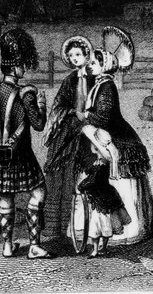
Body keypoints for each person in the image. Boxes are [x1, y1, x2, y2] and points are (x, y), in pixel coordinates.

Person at [71, 49, 151, 248]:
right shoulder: (99, 83)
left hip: (115, 136)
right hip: (100, 134)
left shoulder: (107, 86)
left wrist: (83, 118)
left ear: (105, 66)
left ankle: (123, 231)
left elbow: (104, 117)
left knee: (107, 180)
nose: (90, 65)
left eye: (95, 63)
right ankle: (90, 229)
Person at [0, 28, 50, 259]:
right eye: (22, 64)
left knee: (5, 198)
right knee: (39, 193)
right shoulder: (26, 94)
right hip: (21, 157)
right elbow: (38, 124)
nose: (24, 69)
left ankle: (8, 246)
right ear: (16, 65)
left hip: (0, 158)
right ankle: (33, 246)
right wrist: (42, 105)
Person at [43, 35, 93, 240]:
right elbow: (58, 107)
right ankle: (57, 226)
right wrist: (72, 112)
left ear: (86, 55)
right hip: (70, 127)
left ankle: (82, 226)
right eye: (71, 56)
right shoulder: (69, 80)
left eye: (78, 55)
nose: (74, 59)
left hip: (89, 127)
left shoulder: (95, 77)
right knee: (59, 169)